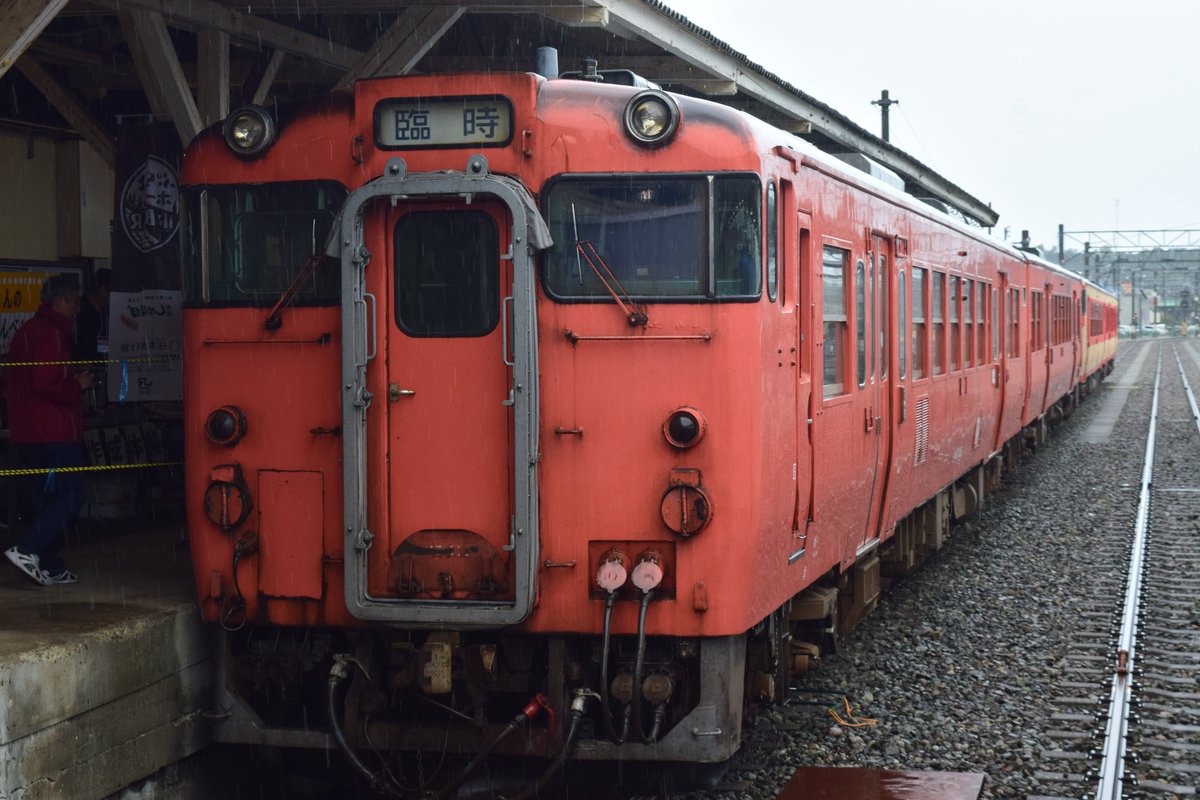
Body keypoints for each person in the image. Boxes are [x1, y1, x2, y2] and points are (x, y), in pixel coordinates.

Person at [4, 275, 92, 585]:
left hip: (29, 430)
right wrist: (77, 384)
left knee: (45, 498)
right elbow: (47, 382)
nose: (77, 308)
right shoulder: (52, 333)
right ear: (59, 302)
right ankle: (28, 549)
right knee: (71, 495)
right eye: (74, 302)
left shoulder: (27, 331)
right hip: (55, 430)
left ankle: (50, 565)